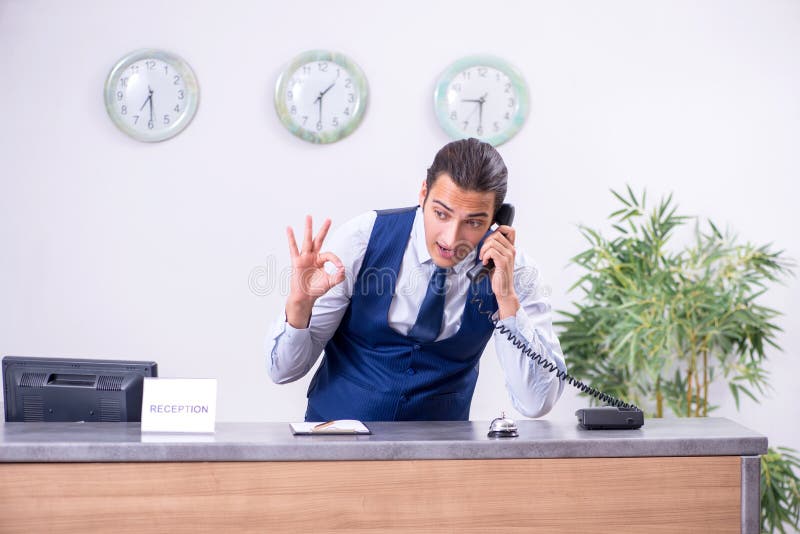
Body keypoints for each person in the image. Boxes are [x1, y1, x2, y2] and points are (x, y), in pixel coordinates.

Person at [266, 138, 566, 422]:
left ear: (497, 220)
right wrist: (300, 303)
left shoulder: (514, 271)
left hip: (439, 457)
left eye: (474, 222)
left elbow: (536, 402)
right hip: (335, 444)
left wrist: (506, 299)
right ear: (423, 193)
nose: (451, 238)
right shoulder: (362, 239)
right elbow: (282, 371)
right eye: (441, 214)